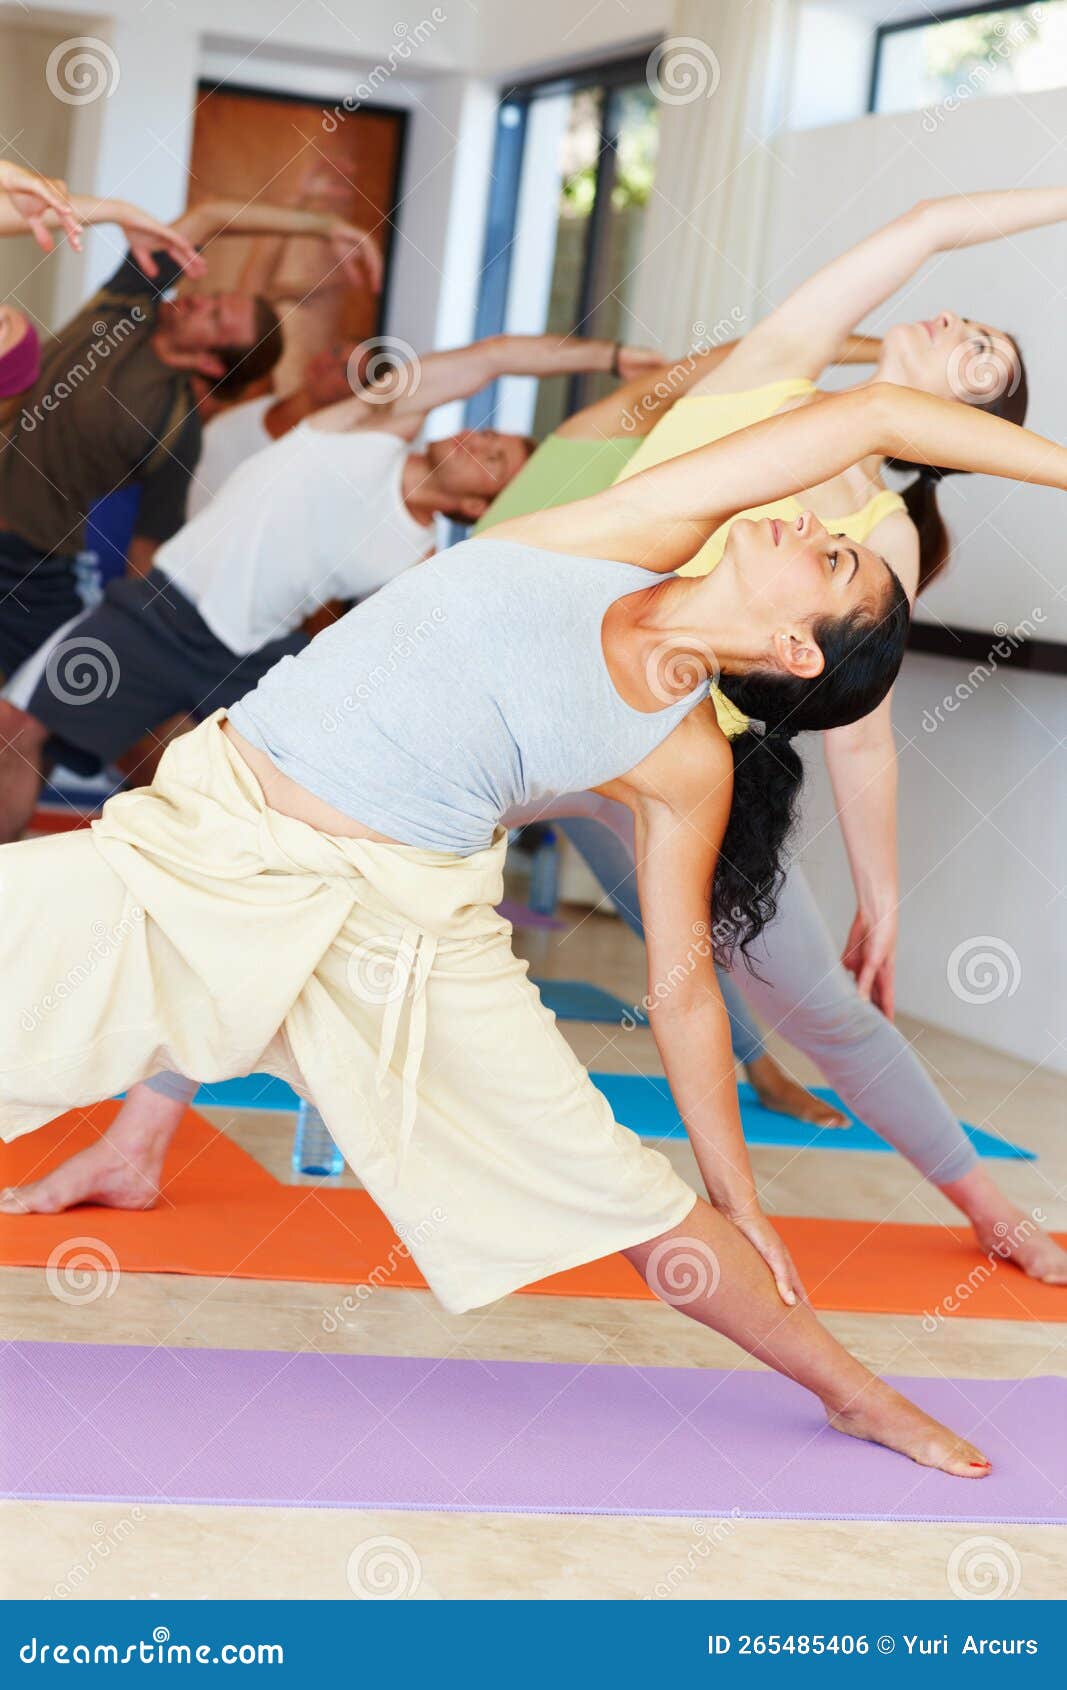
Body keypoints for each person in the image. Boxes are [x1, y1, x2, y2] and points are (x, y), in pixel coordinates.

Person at [2, 381, 1063, 1474]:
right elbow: (878, 415)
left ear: (797, 648)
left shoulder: (680, 759)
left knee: (612, 1185)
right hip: (204, 841)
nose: (815, 526)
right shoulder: (630, 532)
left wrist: (736, 1194)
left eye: (833, 562)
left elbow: (684, 987)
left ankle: (854, 1393)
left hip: (400, 938)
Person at [495, 187, 1067, 1285]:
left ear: (972, 428)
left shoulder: (883, 531)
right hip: (539, 697)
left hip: (673, 768)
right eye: (968, 323)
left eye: (983, 363)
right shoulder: (772, 373)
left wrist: (883, 893)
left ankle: (992, 1208)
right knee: (323, 851)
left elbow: (855, 732)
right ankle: (144, 1131)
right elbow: (922, 226)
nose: (962, 333)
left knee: (827, 1010)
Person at [0, 332, 661, 835]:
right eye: (485, 433)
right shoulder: (369, 426)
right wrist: (611, 358)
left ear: (473, 510)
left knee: (288, 805)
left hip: (247, 655)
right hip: (158, 611)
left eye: (491, 461)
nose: (474, 442)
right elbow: (491, 357)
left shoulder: (418, 560)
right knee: (16, 732)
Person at [0, 190, 381, 680]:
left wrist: (130, 638)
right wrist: (322, 225)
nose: (198, 299)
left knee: (31, 717)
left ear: (209, 361)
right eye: (216, 298)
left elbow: (146, 549)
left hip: (29, 567)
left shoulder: (176, 430)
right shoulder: (129, 306)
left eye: (216, 316)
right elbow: (208, 216)